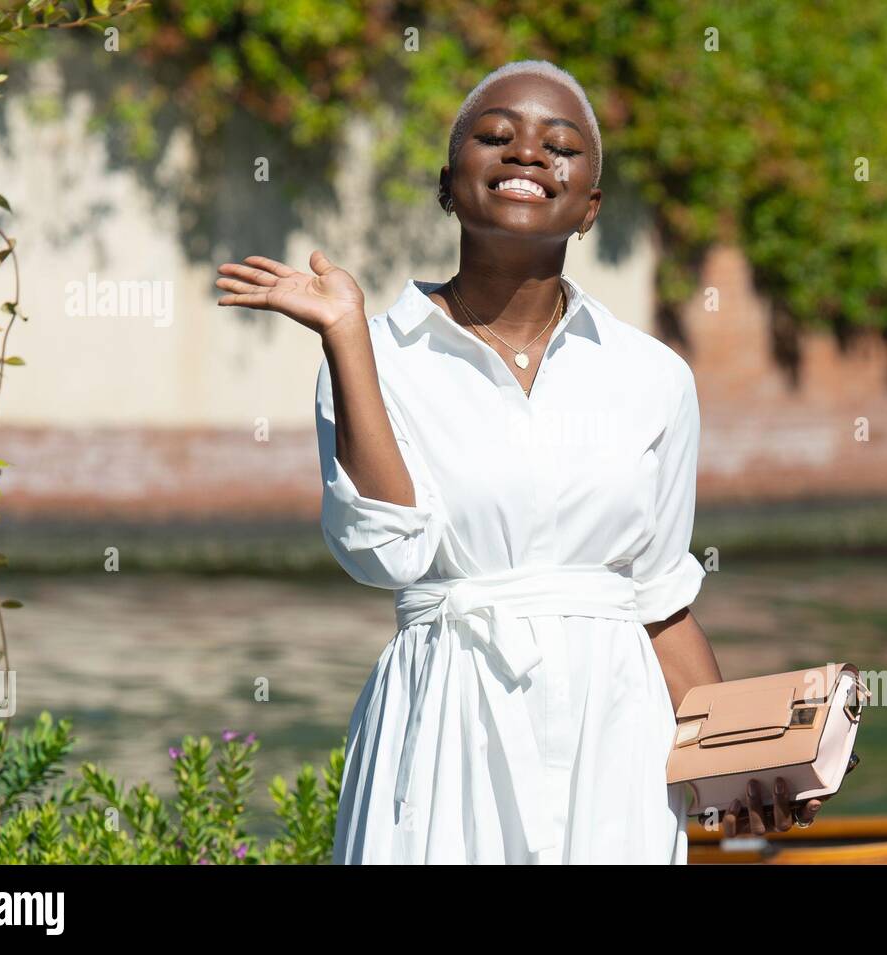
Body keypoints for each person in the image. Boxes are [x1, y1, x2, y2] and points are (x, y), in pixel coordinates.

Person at [216, 59, 825, 864]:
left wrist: (745, 767)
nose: (528, 154)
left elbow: (659, 602)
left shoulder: (653, 377)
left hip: (613, 736)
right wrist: (347, 337)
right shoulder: (375, 352)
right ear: (446, 183)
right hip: (445, 720)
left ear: (590, 208)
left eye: (559, 146)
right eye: (496, 136)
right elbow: (388, 549)